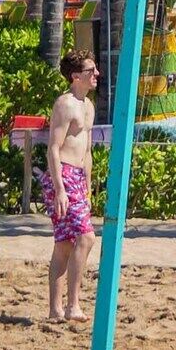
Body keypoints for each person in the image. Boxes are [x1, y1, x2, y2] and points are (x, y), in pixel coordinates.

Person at [44, 48, 100, 325]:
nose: (96, 75)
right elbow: (53, 148)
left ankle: (55, 309)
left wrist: (88, 186)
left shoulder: (88, 106)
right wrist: (59, 188)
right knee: (86, 238)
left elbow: (86, 149)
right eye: (91, 71)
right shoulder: (65, 104)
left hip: (78, 176)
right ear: (76, 76)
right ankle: (72, 305)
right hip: (62, 175)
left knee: (64, 245)